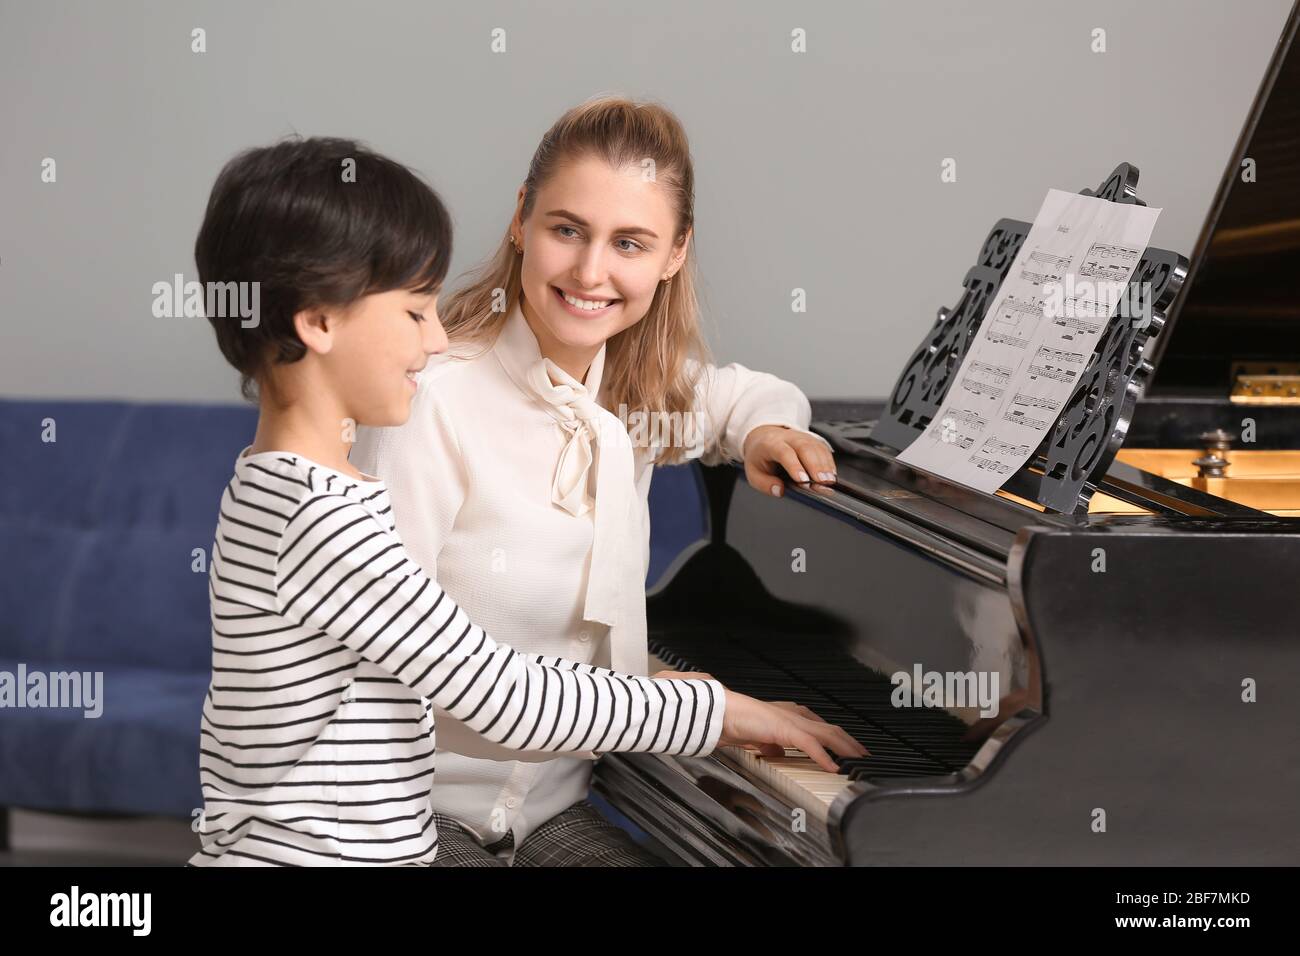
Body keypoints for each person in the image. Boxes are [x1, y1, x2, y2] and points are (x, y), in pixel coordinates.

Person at [186, 135, 865, 867]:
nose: (438, 335)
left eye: (630, 242)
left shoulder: (282, 486)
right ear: (317, 323)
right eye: (416, 312)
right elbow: (500, 692)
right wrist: (715, 709)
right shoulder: (324, 520)